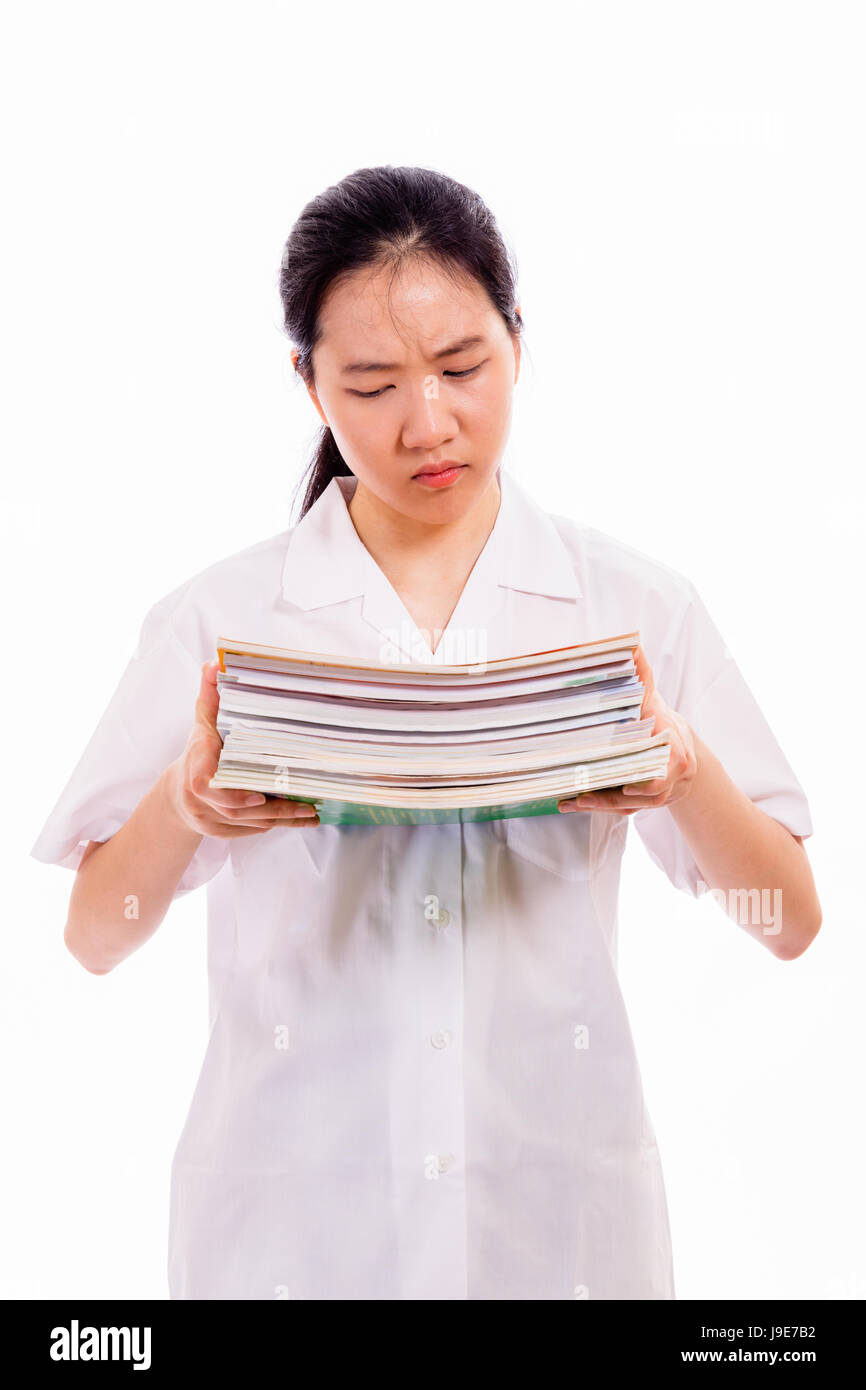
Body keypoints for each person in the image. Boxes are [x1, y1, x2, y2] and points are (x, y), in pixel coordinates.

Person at [30, 165, 821, 1300]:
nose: (428, 423)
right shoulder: (221, 620)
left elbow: (788, 921)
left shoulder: (632, 605)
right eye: (371, 384)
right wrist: (182, 804)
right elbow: (96, 935)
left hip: (552, 1222)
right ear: (307, 385)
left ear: (515, 337)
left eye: (462, 368)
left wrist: (681, 772)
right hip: (294, 1229)